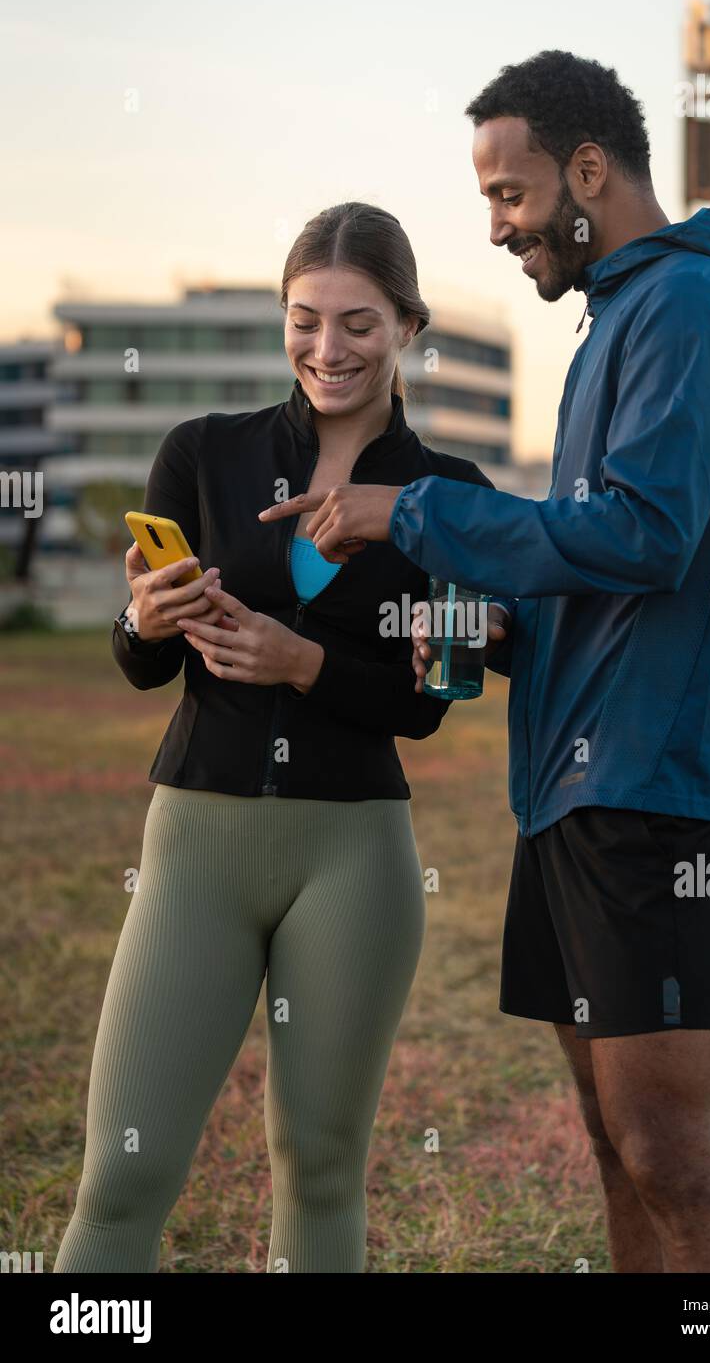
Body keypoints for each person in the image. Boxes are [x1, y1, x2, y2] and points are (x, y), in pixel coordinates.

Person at [265, 52, 710, 1273]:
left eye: (508, 195)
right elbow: (606, 566)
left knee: (666, 1148)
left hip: (654, 787)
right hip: (570, 783)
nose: (497, 227)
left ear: (587, 172)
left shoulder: (688, 309)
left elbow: (647, 532)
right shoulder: (622, 316)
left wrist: (412, 515)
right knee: (614, 1141)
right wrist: (504, 632)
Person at [53, 200, 511, 1274]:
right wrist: (142, 617)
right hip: (194, 851)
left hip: (354, 855)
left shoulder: (452, 496)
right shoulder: (203, 456)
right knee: (122, 1177)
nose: (327, 348)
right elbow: (142, 659)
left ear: (407, 324)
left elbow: (428, 703)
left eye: (357, 323)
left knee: (317, 1169)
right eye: (304, 320)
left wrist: (300, 661)